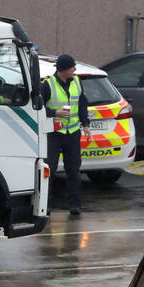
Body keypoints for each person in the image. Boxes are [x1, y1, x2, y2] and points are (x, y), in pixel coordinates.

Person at [40, 54, 90, 215]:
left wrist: (86, 125)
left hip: (73, 133)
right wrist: (56, 112)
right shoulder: (48, 85)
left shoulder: (76, 81)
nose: (75, 69)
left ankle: (75, 205)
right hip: (54, 134)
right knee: (50, 170)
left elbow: (82, 104)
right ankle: (44, 206)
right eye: (72, 67)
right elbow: (38, 108)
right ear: (63, 70)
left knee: (74, 170)